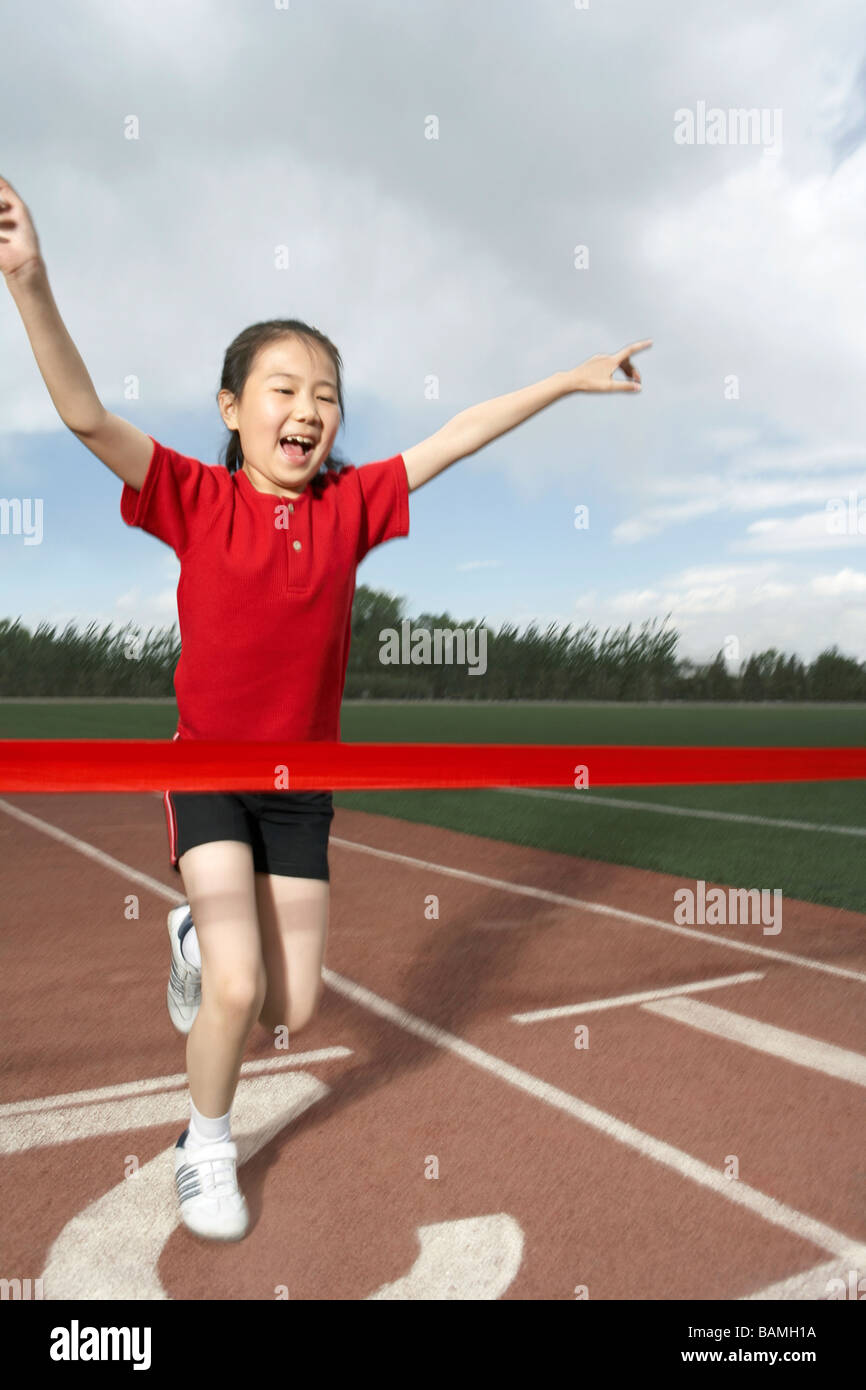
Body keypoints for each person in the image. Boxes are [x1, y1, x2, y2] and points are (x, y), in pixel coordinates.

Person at [1, 172, 650, 1243]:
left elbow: (458, 433)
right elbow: (82, 415)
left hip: (301, 791)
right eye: (281, 388)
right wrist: (30, 282)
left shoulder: (351, 507)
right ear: (229, 408)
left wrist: (570, 379)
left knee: (287, 1007)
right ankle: (203, 1143)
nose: (306, 410)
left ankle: (192, 941)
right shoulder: (192, 496)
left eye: (326, 394)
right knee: (235, 984)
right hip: (209, 774)